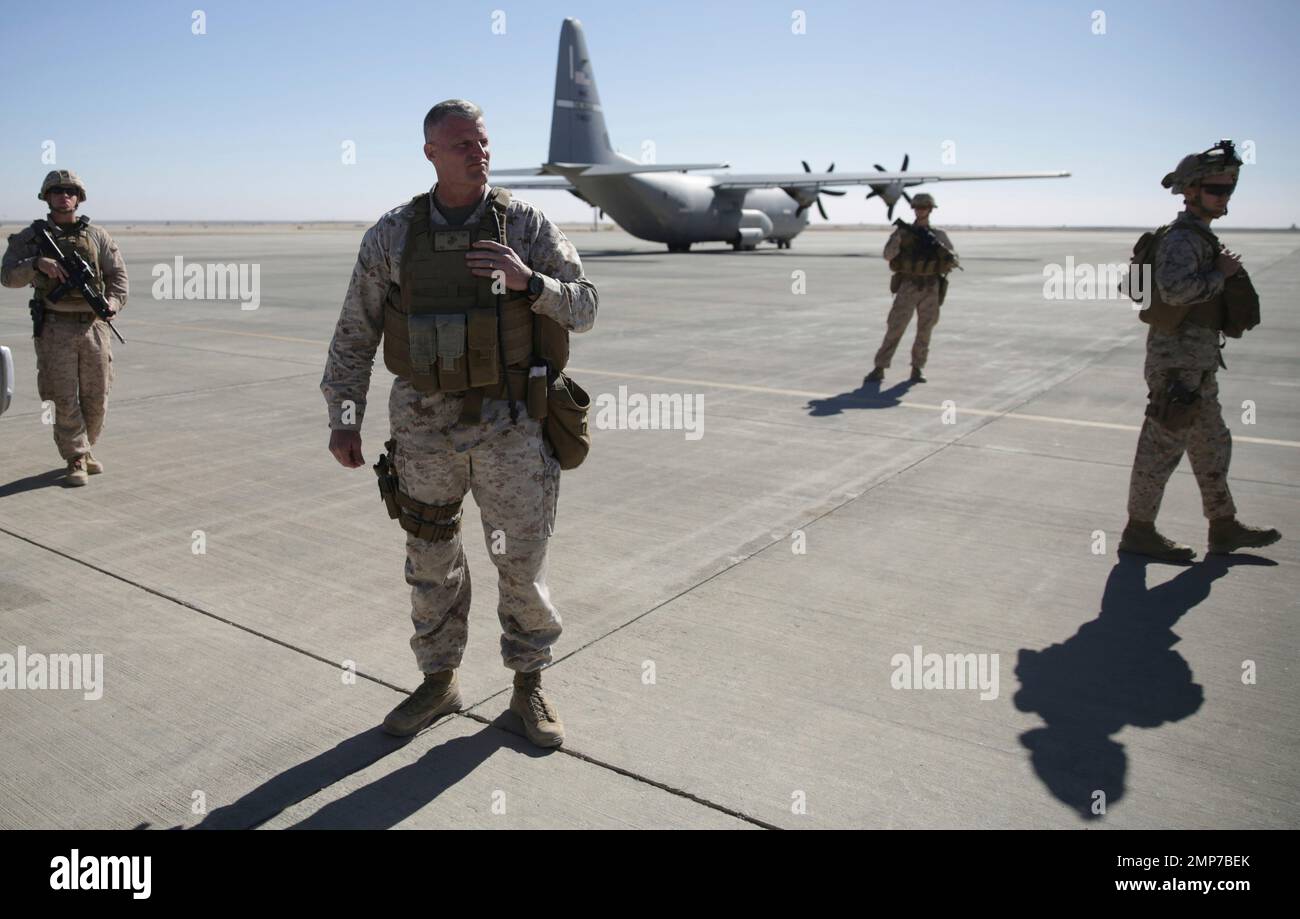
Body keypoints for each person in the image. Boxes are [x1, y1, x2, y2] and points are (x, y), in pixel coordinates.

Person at [321, 99, 598, 747]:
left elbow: (584, 307)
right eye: (462, 144)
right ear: (431, 154)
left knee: (521, 562)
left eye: (482, 141)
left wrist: (530, 282)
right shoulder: (393, 236)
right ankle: (439, 680)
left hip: (512, 426)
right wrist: (344, 415)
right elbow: (355, 332)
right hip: (422, 430)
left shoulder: (525, 226)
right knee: (428, 558)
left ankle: (529, 685)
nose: (479, 152)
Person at [1119, 140, 1280, 561]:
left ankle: (1223, 527)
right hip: (1175, 365)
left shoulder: (1199, 236)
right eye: (1216, 189)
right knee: (1161, 447)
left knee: (1213, 443)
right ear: (1190, 190)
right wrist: (1220, 274)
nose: (1224, 197)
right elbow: (1174, 293)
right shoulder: (1182, 240)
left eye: (1229, 190)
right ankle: (1138, 531)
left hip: (1198, 362)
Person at [1, 170, 128, 485]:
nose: (64, 196)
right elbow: (6, 277)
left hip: (94, 327)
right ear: (47, 196)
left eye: (70, 191)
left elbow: (118, 277)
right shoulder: (30, 238)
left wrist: (112, 303)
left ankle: (86, 449)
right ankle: (74, 457)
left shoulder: (97, 236)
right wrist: (36, 264)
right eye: (57, 191)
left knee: (96, 397)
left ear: (79, 197)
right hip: (55, 326)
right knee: (63, 396)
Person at [864, 193, 957, 385]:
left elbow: (953, 260)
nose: (920, 211)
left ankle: (917, 368)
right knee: (895, 326)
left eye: (924, 208)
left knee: (925, 329)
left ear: (930, 210)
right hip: (909, 284)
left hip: (931, 285)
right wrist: (898, 239)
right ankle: (880, 367)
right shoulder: (903, 232)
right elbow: (888, 255)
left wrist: (944, 253)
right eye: (917, 207)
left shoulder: (939, 235)